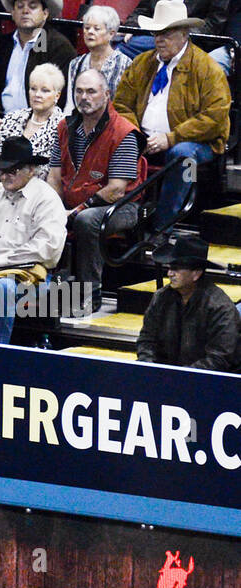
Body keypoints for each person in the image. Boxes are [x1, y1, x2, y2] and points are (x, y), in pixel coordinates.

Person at [112, 0, 231, 230]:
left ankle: (163, 226)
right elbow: (121, 105)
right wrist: (136, 134)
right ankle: (120, 220)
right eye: (156, 33)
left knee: (183, 155)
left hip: (197, 143)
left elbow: (214, 118)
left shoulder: (207, 69)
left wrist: (171, 137)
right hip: (145, 139)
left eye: (166, 33)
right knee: (116, 140)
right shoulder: (142, 63)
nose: (159, 39)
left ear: (185, 34)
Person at [48, 69, 144, 311]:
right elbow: (54, 176)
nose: (84, 97)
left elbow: (117, 190)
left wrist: (78, 209)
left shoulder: (124, 132)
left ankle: (91, 293)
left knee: (87, 220)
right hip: (72, 203)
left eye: (91, 91)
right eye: (79, 91)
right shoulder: (65, 126)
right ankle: (44, 292)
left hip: (120, 207)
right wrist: (54, 208)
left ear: (106, 94)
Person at [0, 135, 67, 343]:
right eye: (2, 170)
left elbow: (44, 249)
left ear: (31, 170)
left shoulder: (46, 198)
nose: (6, 176)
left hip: (33, 276)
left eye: (13, 170)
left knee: (3, 288)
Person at [136, 235, 241, 372]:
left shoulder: (220, 308)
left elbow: (219, 358)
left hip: (207, 382)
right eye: (170, 267)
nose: (170, 273)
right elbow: (146, 340)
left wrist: (182, 377)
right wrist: (149, 367)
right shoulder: (161, 297)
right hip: (165, 376)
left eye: (176, 269)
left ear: (196, 274)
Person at [0, 0, 76, 137]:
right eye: (19, 6)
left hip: (38, 125)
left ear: (45, 13)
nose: (25, 11)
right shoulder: (2, 44)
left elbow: (60, 97)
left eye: (32, 6)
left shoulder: (58, 47)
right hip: (0, 120)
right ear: (12, 13)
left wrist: (30, 124)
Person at [0, 62, 64, 183]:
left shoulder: (62, 127)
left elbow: (45, 174)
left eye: (45, 90)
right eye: (33, 89)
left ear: (57, 95)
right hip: (0, 182)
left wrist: (2, 186)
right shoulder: (12, 118)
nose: (37, 95)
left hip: (36, 191)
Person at [62, 5, 131, 115]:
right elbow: (70, 106)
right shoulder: (75, 64)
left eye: (96, 28)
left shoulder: (125, 64)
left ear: (111, 34)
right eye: (87, 28)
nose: (90, 32)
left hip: (113, 126)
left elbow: (126, 108)